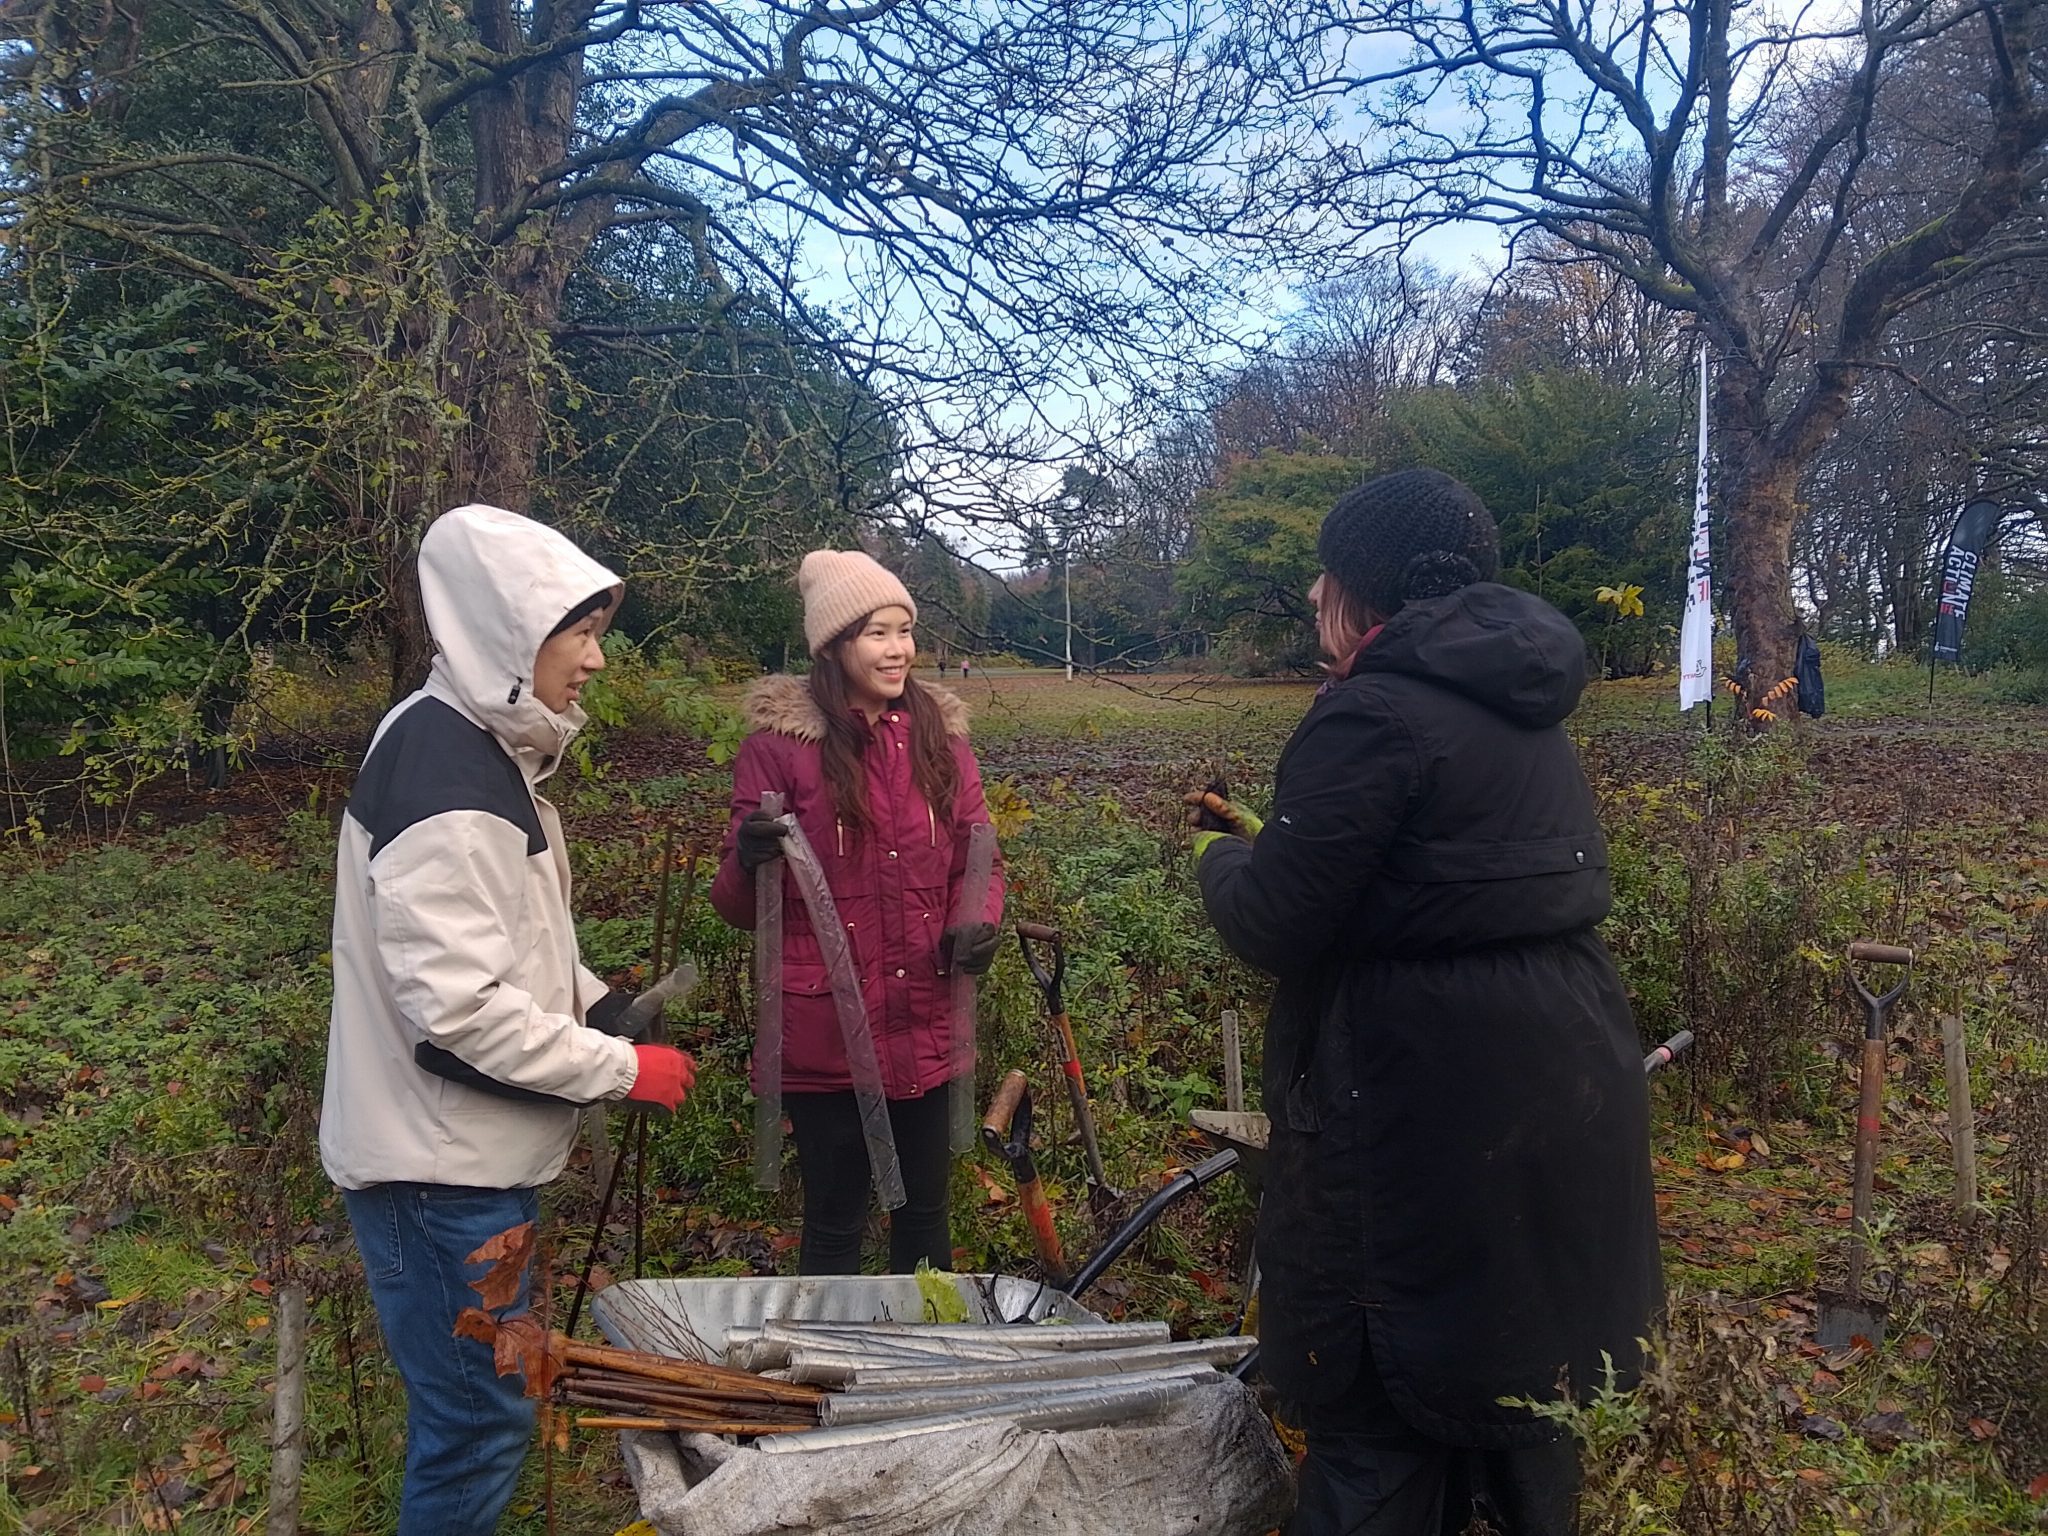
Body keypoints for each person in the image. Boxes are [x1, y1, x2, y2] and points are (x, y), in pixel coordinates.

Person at [1190, 470, 1662, 1536]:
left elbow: (1273, 921)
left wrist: (1219, 857)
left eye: (1326, 576)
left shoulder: (1368, 712)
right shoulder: (1524, 708)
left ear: (1363, 591)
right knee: (1522, 1390)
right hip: (1559, 1077)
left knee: (1377, 1421)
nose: (1312, 594)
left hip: (1417, 1100)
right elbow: (1432, 879)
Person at [321, 504, 696, 1536]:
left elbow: (512, 943)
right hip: (438, 1183)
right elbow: (456, 1017)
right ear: (507, 633)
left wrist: (601, 1006)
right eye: (578, 633)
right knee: (477, 1423)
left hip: (462, 1171)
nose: (597, 662)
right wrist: (622, 1070)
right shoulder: (449, 782)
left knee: (481, 1413)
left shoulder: (473, 750)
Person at [711, 550, 1004, 1274]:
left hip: (922, 1011)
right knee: (836, 1220)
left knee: (925, 1215)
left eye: (905, 630)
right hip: (827, 1027)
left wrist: (978, 918)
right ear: (834, 645)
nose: (899, 648)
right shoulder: (778, 751)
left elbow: (980, 853)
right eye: (877, 632)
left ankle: (921, 1367)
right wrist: (749, 862)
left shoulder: (941, 739)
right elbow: (739, 908)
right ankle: (828, 1373)